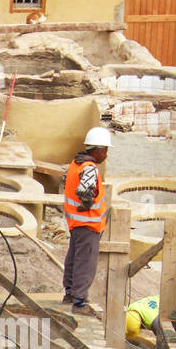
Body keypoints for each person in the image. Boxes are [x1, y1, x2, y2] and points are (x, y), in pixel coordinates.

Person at [63, 126, 111, 317]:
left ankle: (69, 293)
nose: (106, 155)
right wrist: (87, 203)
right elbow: (84, 190)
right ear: (97, 150)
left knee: (74, 257)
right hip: (88, 224)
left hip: (75, 223)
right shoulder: (90, 168)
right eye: (105, 151)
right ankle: (79, 302)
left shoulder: (76, 164)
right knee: (86, 262)